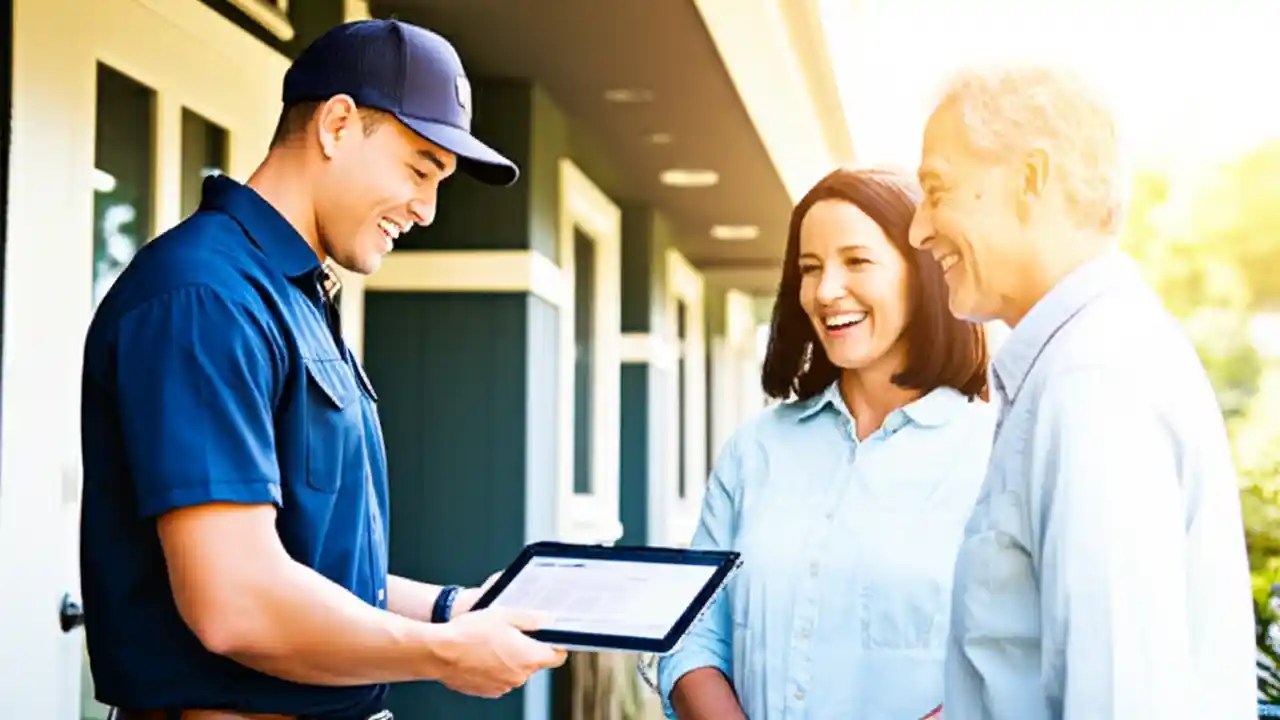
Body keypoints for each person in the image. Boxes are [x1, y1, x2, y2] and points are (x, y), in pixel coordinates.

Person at [79, 18, 566, 720]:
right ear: (338, 124)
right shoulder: (204, 297)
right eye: (419, 169)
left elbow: (317, 569)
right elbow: (237, 603)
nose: (427, 210)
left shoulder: (292, 297)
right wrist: (443, 653)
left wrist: (455, 608)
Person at [909, 64, 1257, 719]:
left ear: (1030, 178)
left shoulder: (1091, 383)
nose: (918, 229)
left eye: (936, 190)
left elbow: (1118, 701)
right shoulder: (1081, 364)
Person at [657, 167, 996, 720]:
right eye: (809, 269)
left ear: (923, 273)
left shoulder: (993, 457)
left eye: (857, 261)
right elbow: (692, 630)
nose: (826, 291)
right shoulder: (755, 450)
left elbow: (1008, 667)